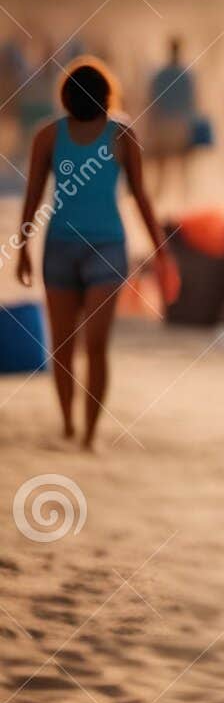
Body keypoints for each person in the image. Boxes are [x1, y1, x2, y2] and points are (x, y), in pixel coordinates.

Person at [13, 60, 164, 450]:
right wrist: (23, 248)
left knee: (95, 345)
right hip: (60, 248)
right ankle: (67, 423)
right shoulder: (48, 137)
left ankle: (90, 434)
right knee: (62, 346)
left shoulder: (122, 135)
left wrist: (161, 250)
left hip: (108, 250)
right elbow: (32, 197)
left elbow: (141, 195)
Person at [146, 36, 201, 204]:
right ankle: (186, 203)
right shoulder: (187, 74)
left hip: (164, 124)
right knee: (184, 169)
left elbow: (153, 102)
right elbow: (193, 103)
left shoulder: (160, 74)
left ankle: (158, 204)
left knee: (162, 170)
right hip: (182, 124)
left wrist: (151, 127)